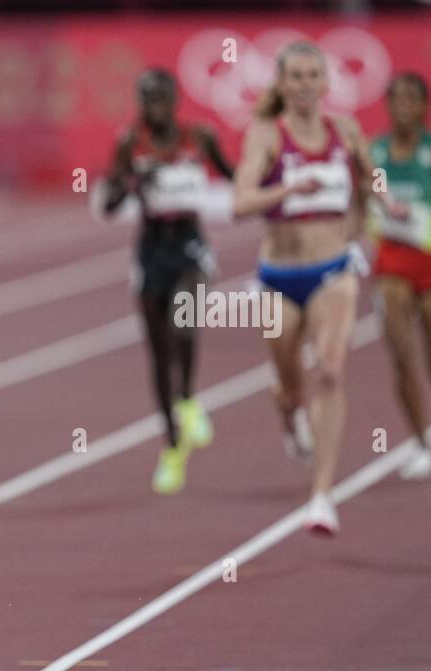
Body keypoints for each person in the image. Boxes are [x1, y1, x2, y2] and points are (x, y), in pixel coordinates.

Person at [233, 40, 406, 535]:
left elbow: (370, 174)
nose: (307, 85)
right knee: (291, 385)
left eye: (314, 76)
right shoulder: (267, 135)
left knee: (329, 372)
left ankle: (322, 496)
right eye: (297, 77)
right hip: (278, 278)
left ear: (326, 85)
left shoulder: (344, 130)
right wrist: (289, 188)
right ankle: (289, 414)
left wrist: (387, 201)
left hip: (334, 268)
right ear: (282, 85)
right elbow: (241, 202)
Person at [102, 68, 235, 494]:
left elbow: (235, 177)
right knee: (158, 355)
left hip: (190, 244)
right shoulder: (130, 143)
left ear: (175, 99)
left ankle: (191, 401)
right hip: (151, 250)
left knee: (184, 321)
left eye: (162, 96)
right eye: (148, 97)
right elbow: (108, 204)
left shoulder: (200, 137)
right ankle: (173, 446)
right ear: (141, 102)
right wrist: (132, 182)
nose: (155, 104)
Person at [371, 71, 431, 479]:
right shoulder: (376, 153)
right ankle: (421, 441)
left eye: (413, 99)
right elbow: (365, 196)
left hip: (430, 262)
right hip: (392, 261)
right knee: (401, 352)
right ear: (388, 106)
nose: (404, 107)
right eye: (397, 99)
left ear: (425, 107)